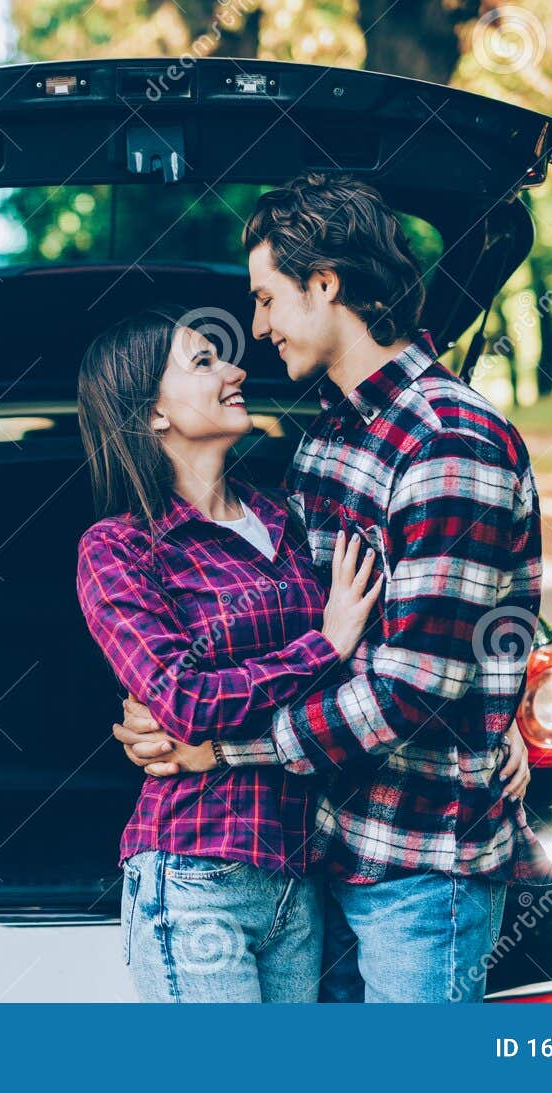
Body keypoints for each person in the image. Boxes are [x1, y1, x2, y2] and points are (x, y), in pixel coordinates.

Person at [114, 172, 552, 1004]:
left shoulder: (449, 442)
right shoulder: (325, 442)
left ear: (325, 285)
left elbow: (413, 691)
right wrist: (171, 701)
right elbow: (302, 632)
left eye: (267, 298)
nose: (256, 326)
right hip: (316, 852)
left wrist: (216, 749)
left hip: (421, 865)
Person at [74, 305, 381, 1002]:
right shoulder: (120, 548)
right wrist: (323, 644)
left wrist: (502, 718)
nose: (237, 368)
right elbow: (183, 701)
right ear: (152, 414)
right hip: (194, 870)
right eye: (203, 361)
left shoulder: (290, 518)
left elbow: (398, 647)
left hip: (300, 874)